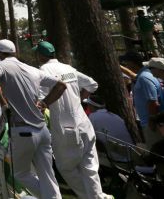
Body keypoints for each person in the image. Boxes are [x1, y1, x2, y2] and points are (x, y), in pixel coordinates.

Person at [0, 39, 64, 199]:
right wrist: (45, 103)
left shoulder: (1, 65)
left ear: (0, 53)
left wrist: (3, 104)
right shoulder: (31, 69)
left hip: (22, 130)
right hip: (43, 130)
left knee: (20, 173)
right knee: (48, 176)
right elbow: (61, 85)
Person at [32, 40, 108, 199]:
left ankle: (89, 197)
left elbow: (40, 101)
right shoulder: (69, 68)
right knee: (90, 167)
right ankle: (97, 197)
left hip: (64, 128)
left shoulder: (43, 72)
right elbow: (92, 85)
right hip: (84, 124)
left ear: (40, 55)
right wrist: (78, 99)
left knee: (66, 167)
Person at [119, 51, 161, 144]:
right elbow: (132, 74)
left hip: (151, 123)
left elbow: (153, 102)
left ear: (132, 63)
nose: (126, 66)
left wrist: (152, 121)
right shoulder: (142, 75)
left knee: (155, 147)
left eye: (126, 63)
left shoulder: (144, 78)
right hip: (147, 121)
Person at [86, 95, 134, 165]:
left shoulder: (92, 117)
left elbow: (87, 138)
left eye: (88, 105)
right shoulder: (116, 116)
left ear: (91, 106)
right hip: (131, 155)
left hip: (115, 158)